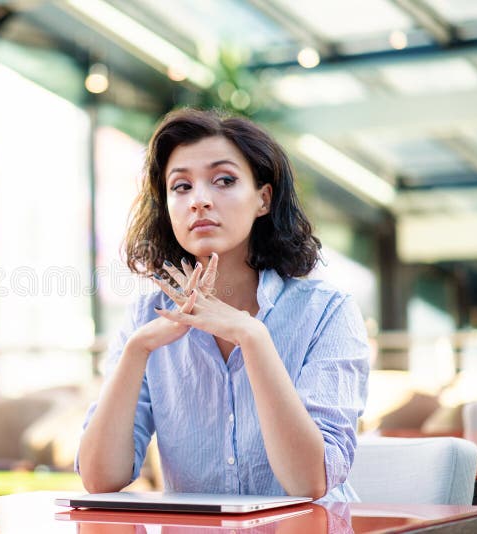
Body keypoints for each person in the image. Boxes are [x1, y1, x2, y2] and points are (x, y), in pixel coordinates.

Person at [76, 108, 369, 501]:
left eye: (224, 180)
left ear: (263, 199)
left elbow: (307, 483)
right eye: (181, 187)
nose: (199, 200)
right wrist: (137, 349)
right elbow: (100, 479)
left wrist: (252, 336)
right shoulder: (147, 318)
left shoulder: (327, 312)